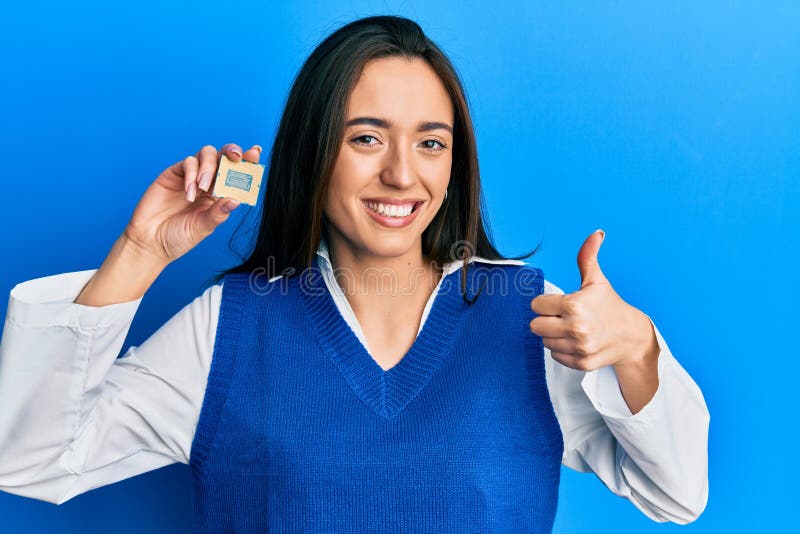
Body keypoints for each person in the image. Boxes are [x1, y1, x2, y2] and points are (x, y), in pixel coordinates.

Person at [0, 15, 709, 533]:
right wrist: (139, 253)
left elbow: (677, 495)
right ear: (315, 153)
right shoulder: (231, 326)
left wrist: (638, 349)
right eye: (366, 138)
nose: (402, 174)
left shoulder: (530, 319)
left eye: (431, 143)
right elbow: (29, 461)